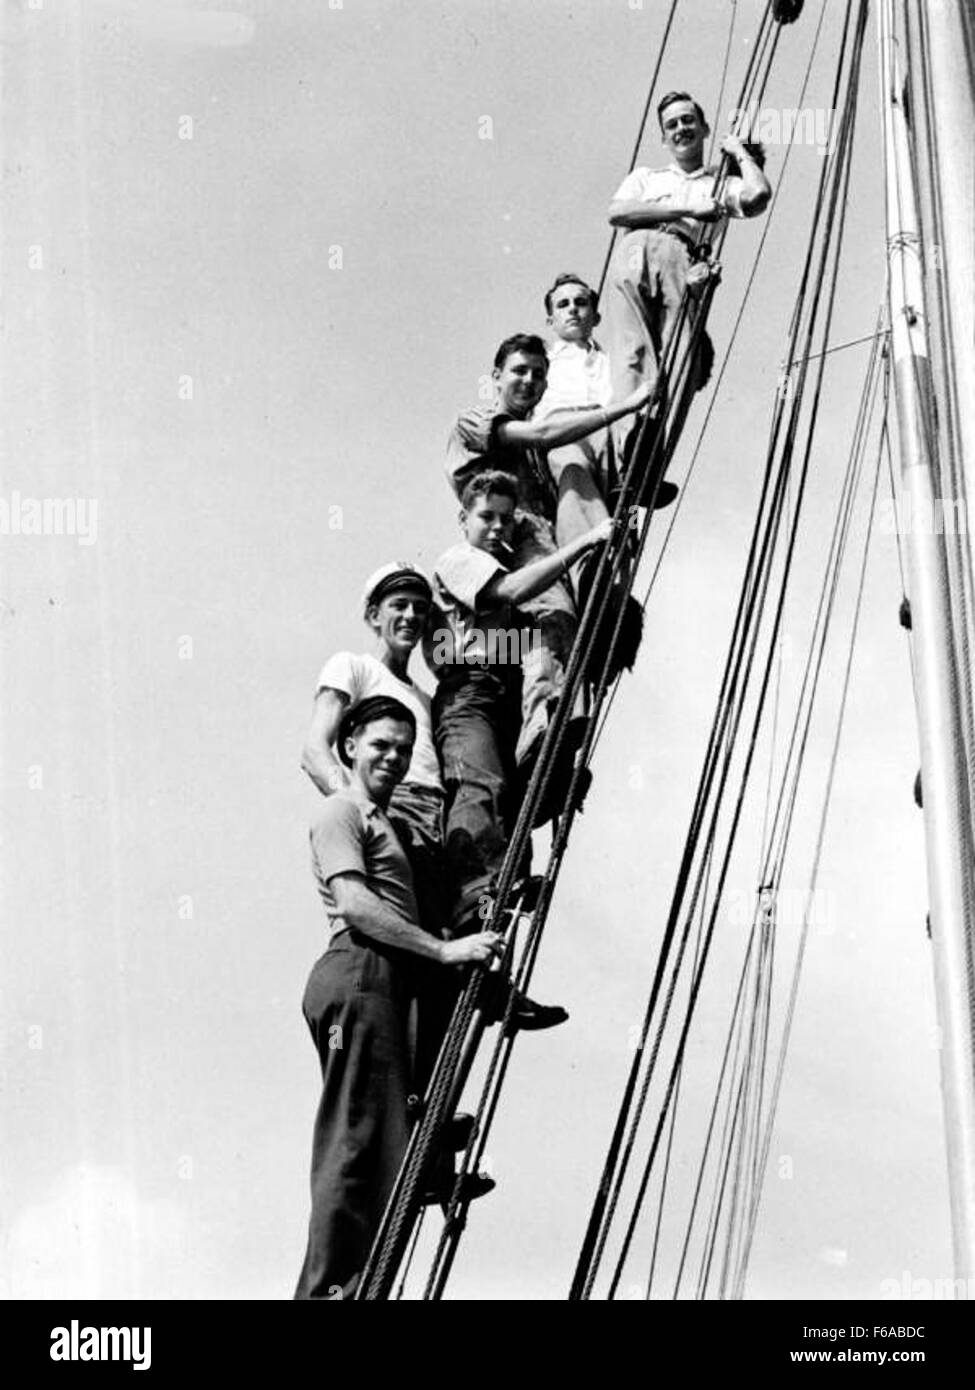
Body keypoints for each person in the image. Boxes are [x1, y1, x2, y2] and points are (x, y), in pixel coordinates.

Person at [294, 694, 502, 1301]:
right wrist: (443, 951)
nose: (393, 757)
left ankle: (361, 1282)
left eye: (404, 750)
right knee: (357, 1140)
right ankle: (330, 1291)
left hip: (389, 978)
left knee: (389, 1140)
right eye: (381, 744)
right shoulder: (341, 811)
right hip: (361, 968)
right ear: (349, 746)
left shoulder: (388, 822)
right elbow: (356, 904)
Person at [446, 333, 653, 765]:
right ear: (496, 376)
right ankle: (545, 729)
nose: (528, 381)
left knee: (592, 625)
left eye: (538, 375)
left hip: (544, 541)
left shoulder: (541, 458)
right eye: (519, 371)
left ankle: (556, 729)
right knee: (553, 617)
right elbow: (541, 433)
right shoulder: (477, 421)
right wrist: (625, 406)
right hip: (507, 539)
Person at [427, 470, 614, 936]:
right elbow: (509, 591)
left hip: (502, 688)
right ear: (463, 519)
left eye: (506, 520)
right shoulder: (460, 560)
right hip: (468, 692)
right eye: (486, 517)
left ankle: (504, 891)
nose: (496, 528)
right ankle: (476, 899)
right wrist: (586, 541)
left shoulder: (504, 565)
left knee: (509, 798)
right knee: (480, 784)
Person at [602, 90, 771, 461]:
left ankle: (653, 452)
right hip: (636, 249)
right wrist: (687, 208)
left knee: (681, 356)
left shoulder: (721, 183)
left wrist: (739, 152)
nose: (681, 128)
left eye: (688, 120)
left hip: (682, 254)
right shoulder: (646, 177)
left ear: (705, 129)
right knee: (631, 352)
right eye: (672, 124)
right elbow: (617, 212)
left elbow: (758, 195)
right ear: (664, 137)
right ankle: (626, 448)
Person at [302, 562, 448, 935]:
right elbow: (314, 750)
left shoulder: (428, 700)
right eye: (399, 605)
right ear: (373, 615)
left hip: (440, 818)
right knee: (407, 929)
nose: (410, 615)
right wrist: (361, 808)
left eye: (420, 608)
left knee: (448, 926)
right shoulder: (353, 667)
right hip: (395, 804)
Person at [536, 272, 678, 560]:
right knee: (574, 472)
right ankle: (589, 557)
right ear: (550, 321)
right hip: (564, 430)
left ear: (596, 317)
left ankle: (629, 531)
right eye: (563, 304)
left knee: (626, 489)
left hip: (611, 430)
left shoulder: (613, 362)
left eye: (580, 303)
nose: (572, 309)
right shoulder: (541, 363)